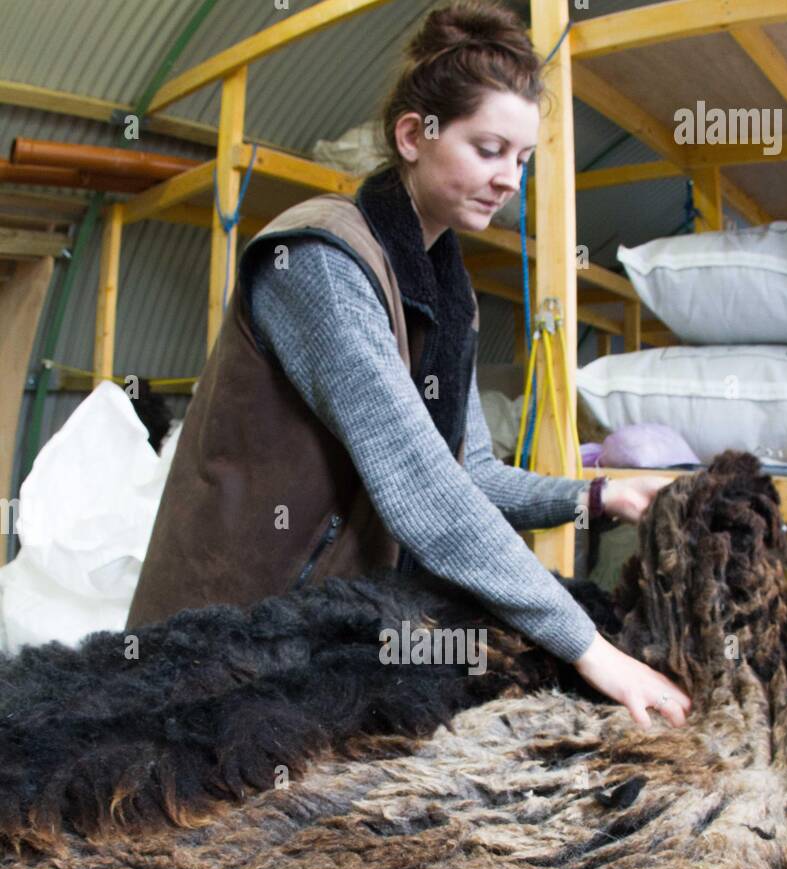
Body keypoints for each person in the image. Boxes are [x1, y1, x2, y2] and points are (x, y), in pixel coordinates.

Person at [126, 0, 690, 731]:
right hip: (220, 642)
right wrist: (592, 650)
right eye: (488, 149)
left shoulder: (449, 297)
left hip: (318, 636)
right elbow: (420, 483)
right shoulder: (321, 262)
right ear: (412, 136)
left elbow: (469, 475)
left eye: (522, 160)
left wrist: (600, 497)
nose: (509, 179)